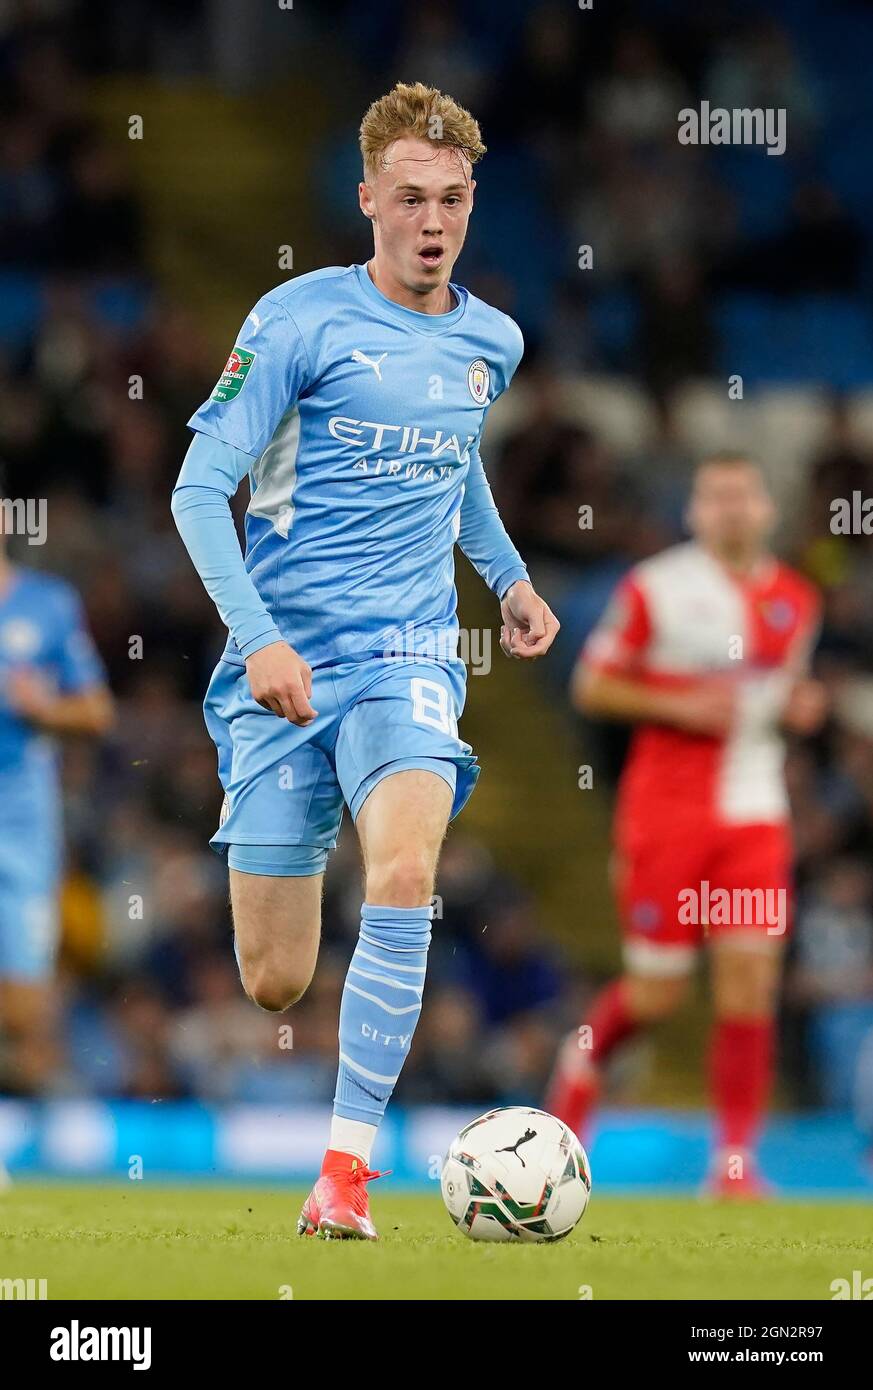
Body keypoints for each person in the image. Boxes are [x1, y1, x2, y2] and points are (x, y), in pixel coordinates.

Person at [172, 81, 559, 1238]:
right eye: (408, 200)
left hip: (409, 654)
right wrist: (261, 640)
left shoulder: (494, 340)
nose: (431, 221)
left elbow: (456, 464)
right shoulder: (297, 321)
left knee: (403, 875)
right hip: (285, 662)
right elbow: (199, 491)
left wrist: (509, 576)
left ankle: (344, 1176)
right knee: (276, 977)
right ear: (367, 201)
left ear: (472, 203)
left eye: (450, 200)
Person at [545, 453, 824, 1196]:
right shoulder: (657, 588)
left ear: (764, 508)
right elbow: (593, 682)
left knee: (748, 983)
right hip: (664, 817)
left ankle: (733, 1163)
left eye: (742, 496)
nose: (730, 510)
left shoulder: (796, 599)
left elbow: (775, 697)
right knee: (656, 995)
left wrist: (799, 708)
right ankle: (574, 1081)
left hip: (754, 814)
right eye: (715, 498)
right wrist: (681, 704)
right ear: (695, 512)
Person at [0, 509, 113, 1186]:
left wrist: (44, 706)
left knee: (23, 999)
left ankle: (35, 1141)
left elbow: (97, 710)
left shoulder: (47, 604)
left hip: (20, 818)